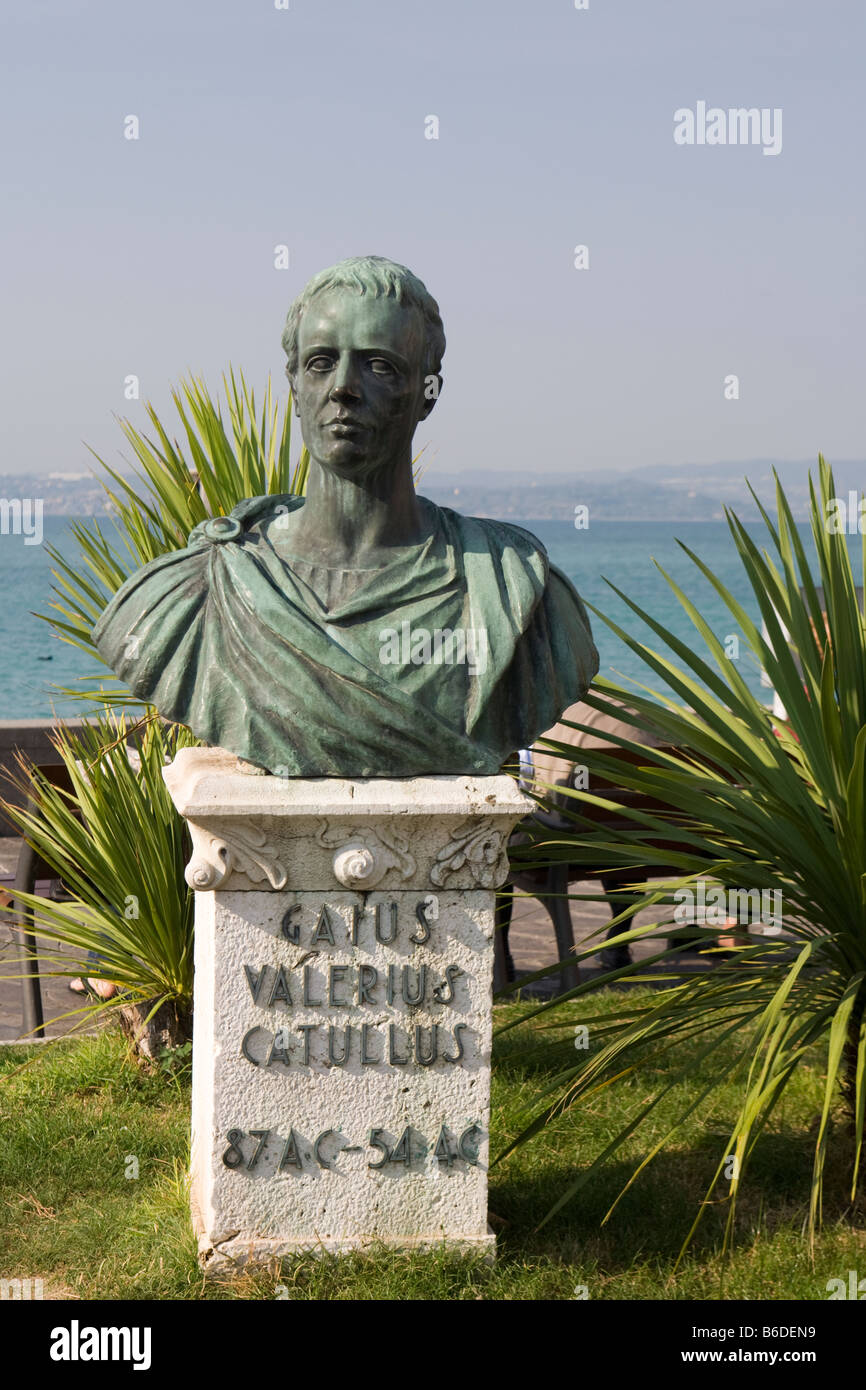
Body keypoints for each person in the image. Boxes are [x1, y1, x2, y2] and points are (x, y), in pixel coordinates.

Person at [92, 257, 598, 777]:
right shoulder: (192, 596)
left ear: (428, 393)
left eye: (379, 365)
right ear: (294, 384)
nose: (343, 387)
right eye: (320, 362)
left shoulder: (520, 595)